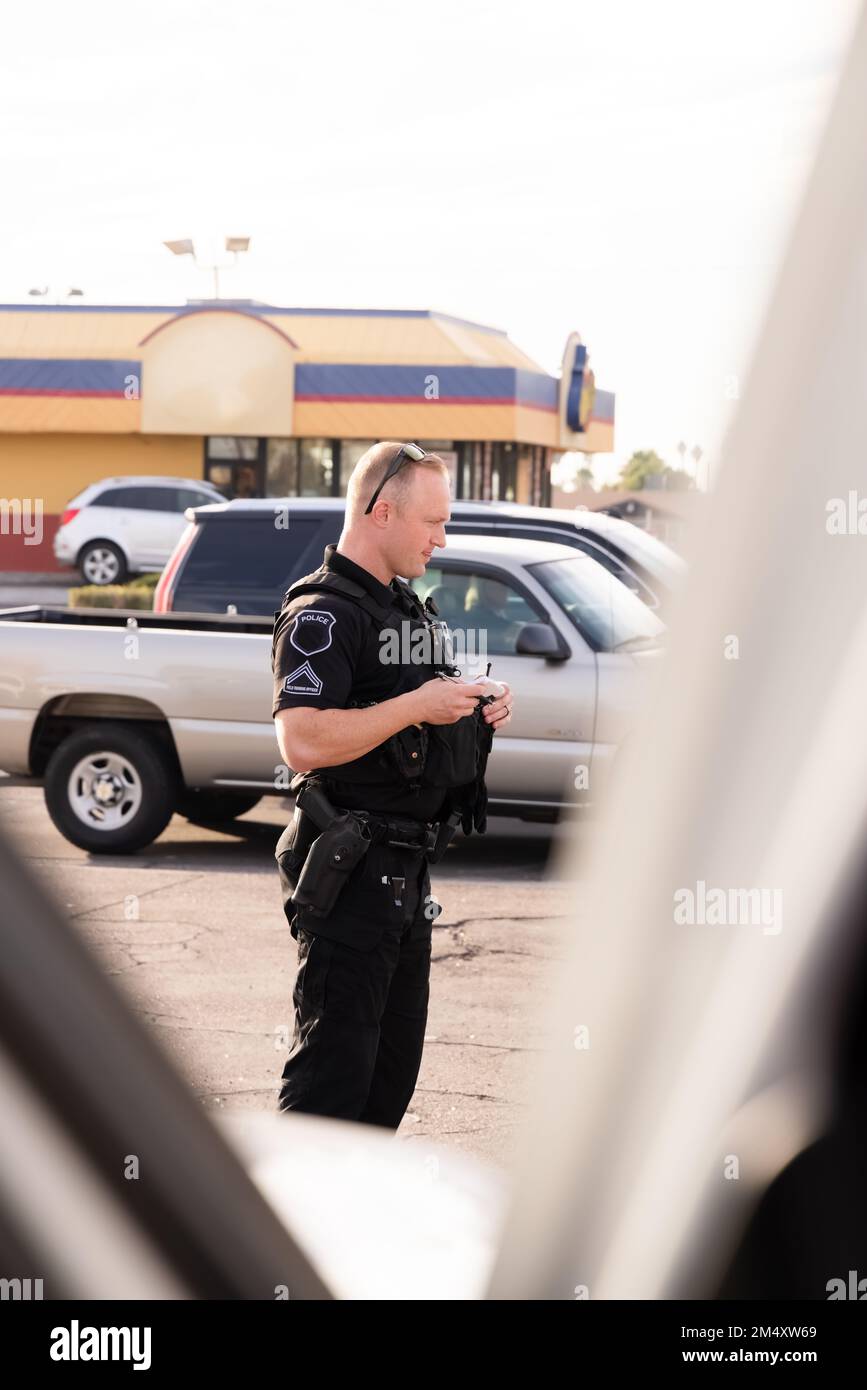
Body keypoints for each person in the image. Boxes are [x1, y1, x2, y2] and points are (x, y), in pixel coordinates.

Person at [271, 441, 513, 1130]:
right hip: (350, 878)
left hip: (406, 879)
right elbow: (302, 739)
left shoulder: (402, 605)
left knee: (385, 1087)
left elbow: (423, 703)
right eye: (432, 521)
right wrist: (417, 707)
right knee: (329, 1089)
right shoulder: (324, 612)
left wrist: (480, 700)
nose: (442, 537)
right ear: (382, 512)